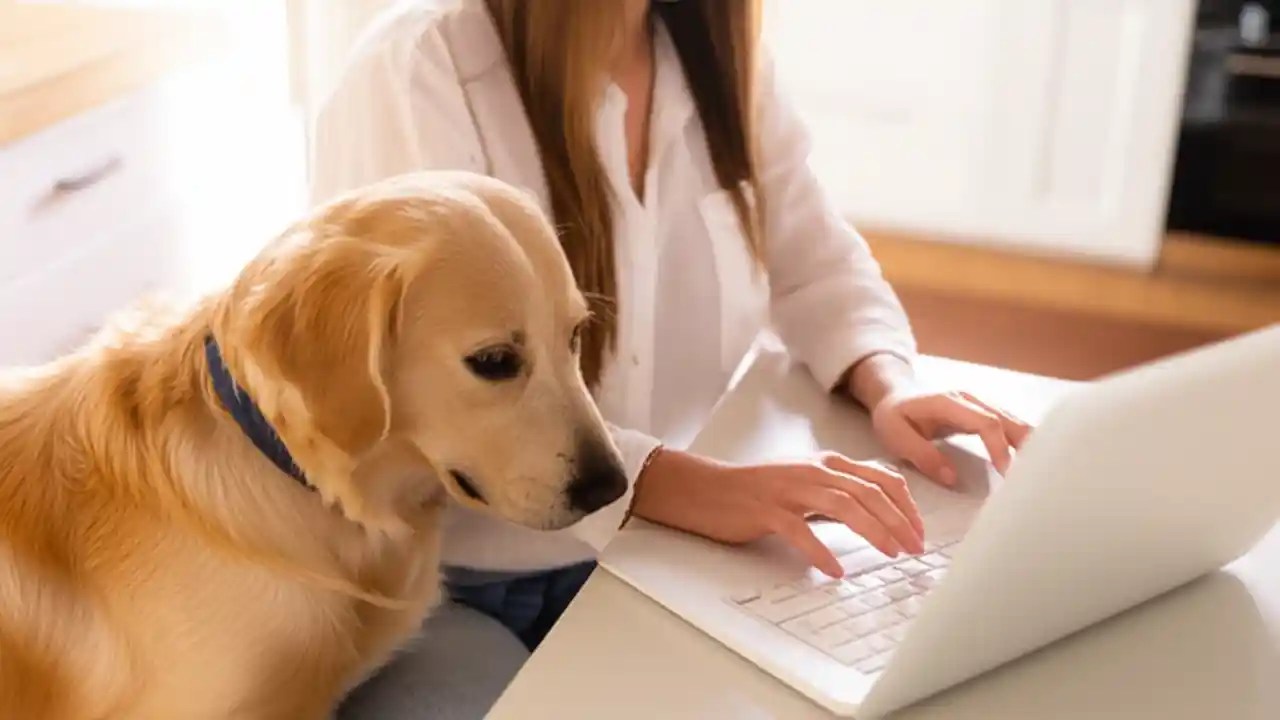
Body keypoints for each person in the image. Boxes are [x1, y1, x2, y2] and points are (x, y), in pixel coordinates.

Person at [312, 1, 1032, 716]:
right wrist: (701, 489)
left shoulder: (709, 58)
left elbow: (817, 265)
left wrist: (887, 382)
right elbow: (413, 386)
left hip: (659, 562)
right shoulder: (419, 67)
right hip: (446, 584)